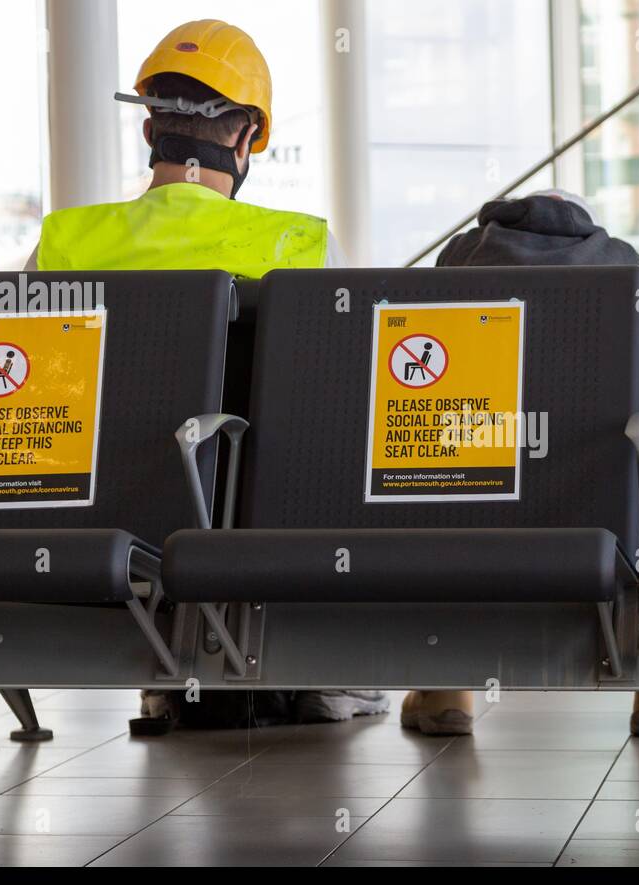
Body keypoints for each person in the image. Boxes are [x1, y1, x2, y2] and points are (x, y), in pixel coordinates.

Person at [31, 19, 384, 731]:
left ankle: (171, 670)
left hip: (104, 512)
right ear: (248, 136)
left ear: (148, 130)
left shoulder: (64, 241)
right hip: (260, 521)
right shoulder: (302, 242)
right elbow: (349, 401)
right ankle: (319, 668)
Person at [404, 189, 639, 738]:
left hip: (466, 505)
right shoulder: (623, 266)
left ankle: (445, 683)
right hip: (598, 525)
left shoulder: (455, 263)